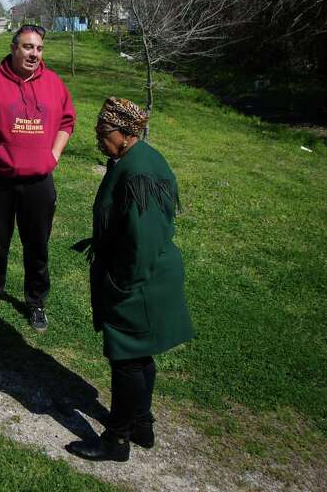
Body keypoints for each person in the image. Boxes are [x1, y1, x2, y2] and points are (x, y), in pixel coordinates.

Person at [66, 97, 194, 462]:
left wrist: (122, 284)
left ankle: (116, 440)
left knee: (126, 361)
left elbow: (146, 238)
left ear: (125, 134)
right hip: (141, 277)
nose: (98, 139)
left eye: (103, 133)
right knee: (139, 357)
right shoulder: (134, 159)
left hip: (140, 281)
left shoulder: (139, 172)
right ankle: (141, 423)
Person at [0, 24, 75, 331]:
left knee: (37, 245)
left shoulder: (53, 83)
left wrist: (54, 155)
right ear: (13, 48)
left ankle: (36, 302)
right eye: (27, 47)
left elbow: (67, 122)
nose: (33, 54)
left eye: (38, 48)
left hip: (38, 182)